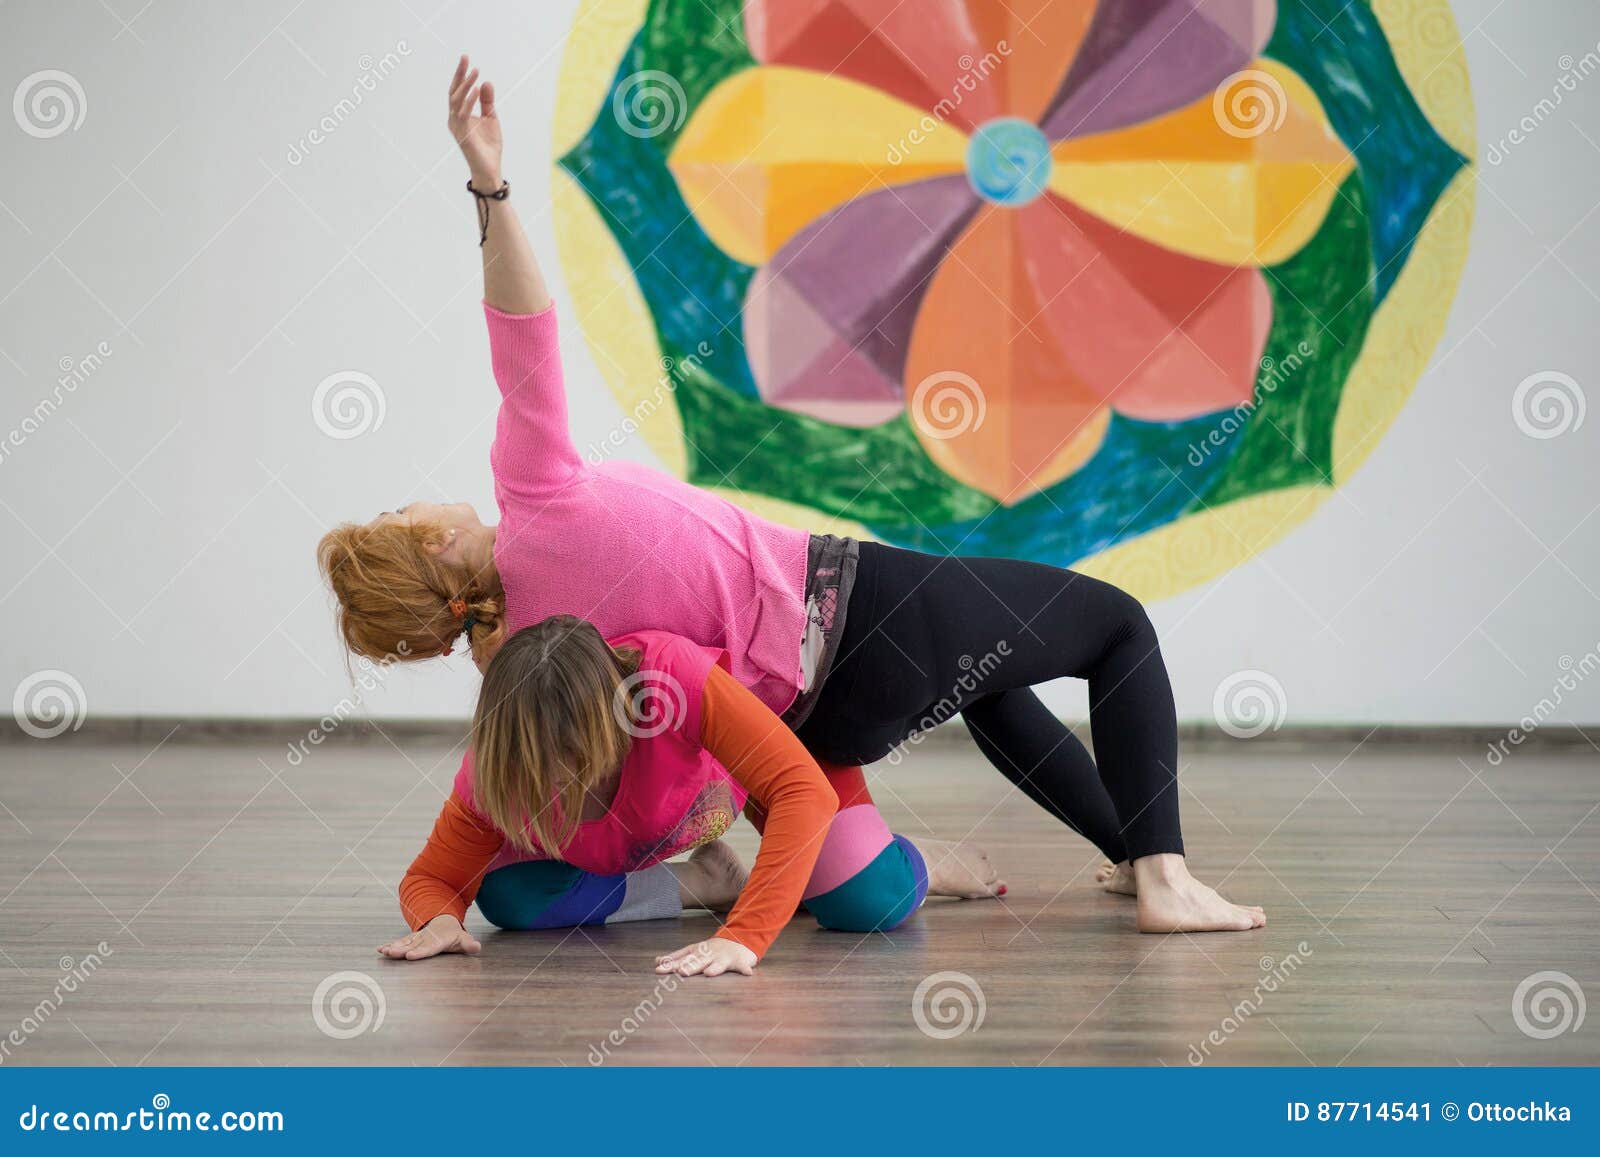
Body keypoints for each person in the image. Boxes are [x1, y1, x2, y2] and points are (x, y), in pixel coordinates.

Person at [321, 56, 1263, 948]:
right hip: (862, 624)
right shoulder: (535, 496)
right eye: (408, 514)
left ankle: (1126, 851)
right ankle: (1166, 881)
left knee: (991, 673)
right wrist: (489, 182)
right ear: (438, 546)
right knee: (1116, 627)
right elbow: (521, 329)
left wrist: (487, 889)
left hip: (797, 735)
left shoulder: (520, 661)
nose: (423, 502)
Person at [380, 616, 952, 977]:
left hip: (777, 758)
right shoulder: (495, 771)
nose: (555, 783)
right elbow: (431, 878)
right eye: (537, 771)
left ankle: (924, 858)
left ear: (619, 724)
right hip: (657, 834)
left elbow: (801, 790)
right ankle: (706, 883)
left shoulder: (669, 681)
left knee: (871, 901)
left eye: (571, 764)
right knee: (509, 899)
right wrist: (438, 921)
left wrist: (743, 937)